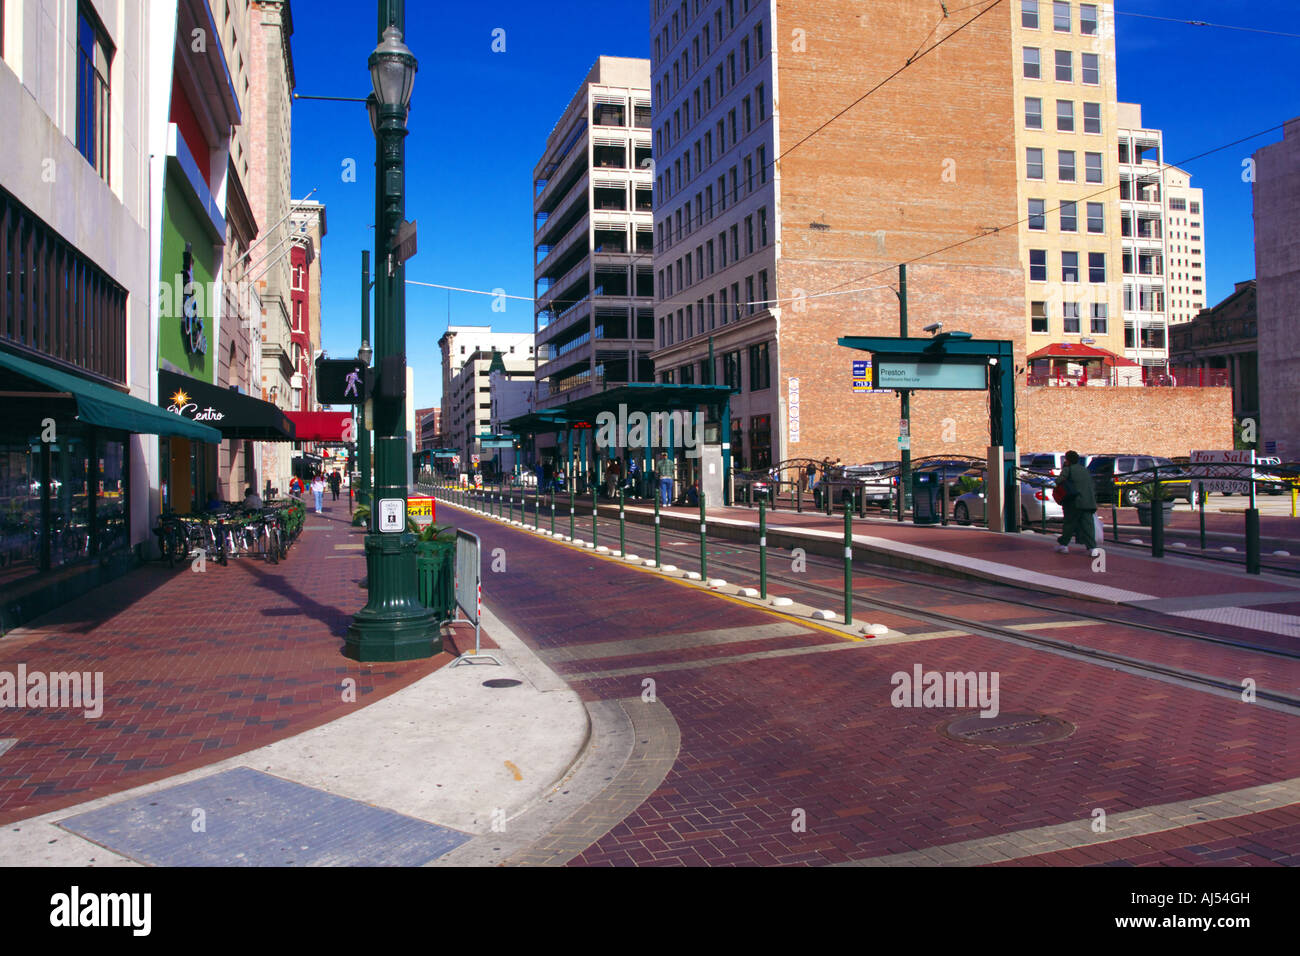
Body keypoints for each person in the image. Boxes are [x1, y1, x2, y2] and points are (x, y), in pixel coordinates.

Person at [1054, 450, 1099, 556]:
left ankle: (1063, 545)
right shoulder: (1084, 470)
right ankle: (1092, 548)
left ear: (1067, 460)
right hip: (1088, 502)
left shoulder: (1068, 469)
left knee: (1069, 524)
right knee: (1088, 526)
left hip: (1074, 502)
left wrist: (1064, 469)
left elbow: (1058, 481)